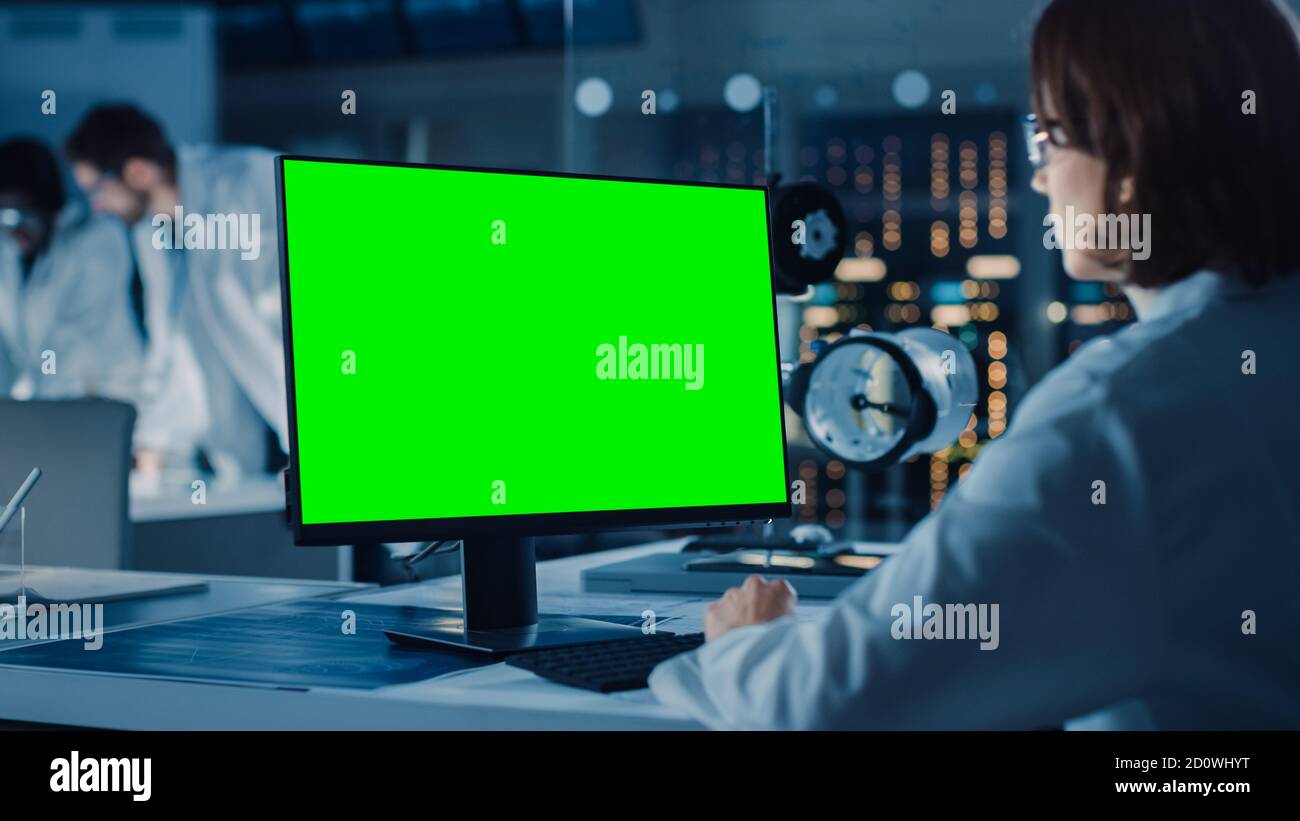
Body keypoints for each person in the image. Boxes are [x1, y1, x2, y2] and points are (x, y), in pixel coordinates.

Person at [650, 0, 1300, 729]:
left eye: (1052, 139)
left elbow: (820, 704)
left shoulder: (1125, 415)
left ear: (1132, 156)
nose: (1041, 178)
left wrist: (745, 642)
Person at [65, 105, 287, 475]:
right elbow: (173, 344)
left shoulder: (251, 179)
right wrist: (155, 439)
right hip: (251, 439)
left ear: (137, 171)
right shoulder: (152, 231)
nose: (97, 207)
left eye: (98, 189)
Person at [0, 137, 142, 401]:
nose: (15, 230)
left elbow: (72, 340)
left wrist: (28, 400)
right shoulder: (7, 253)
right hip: (46, 402)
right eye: (3, 216)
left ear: (50, 206)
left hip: (104, 394)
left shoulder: (97, 239)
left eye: (24, 214)